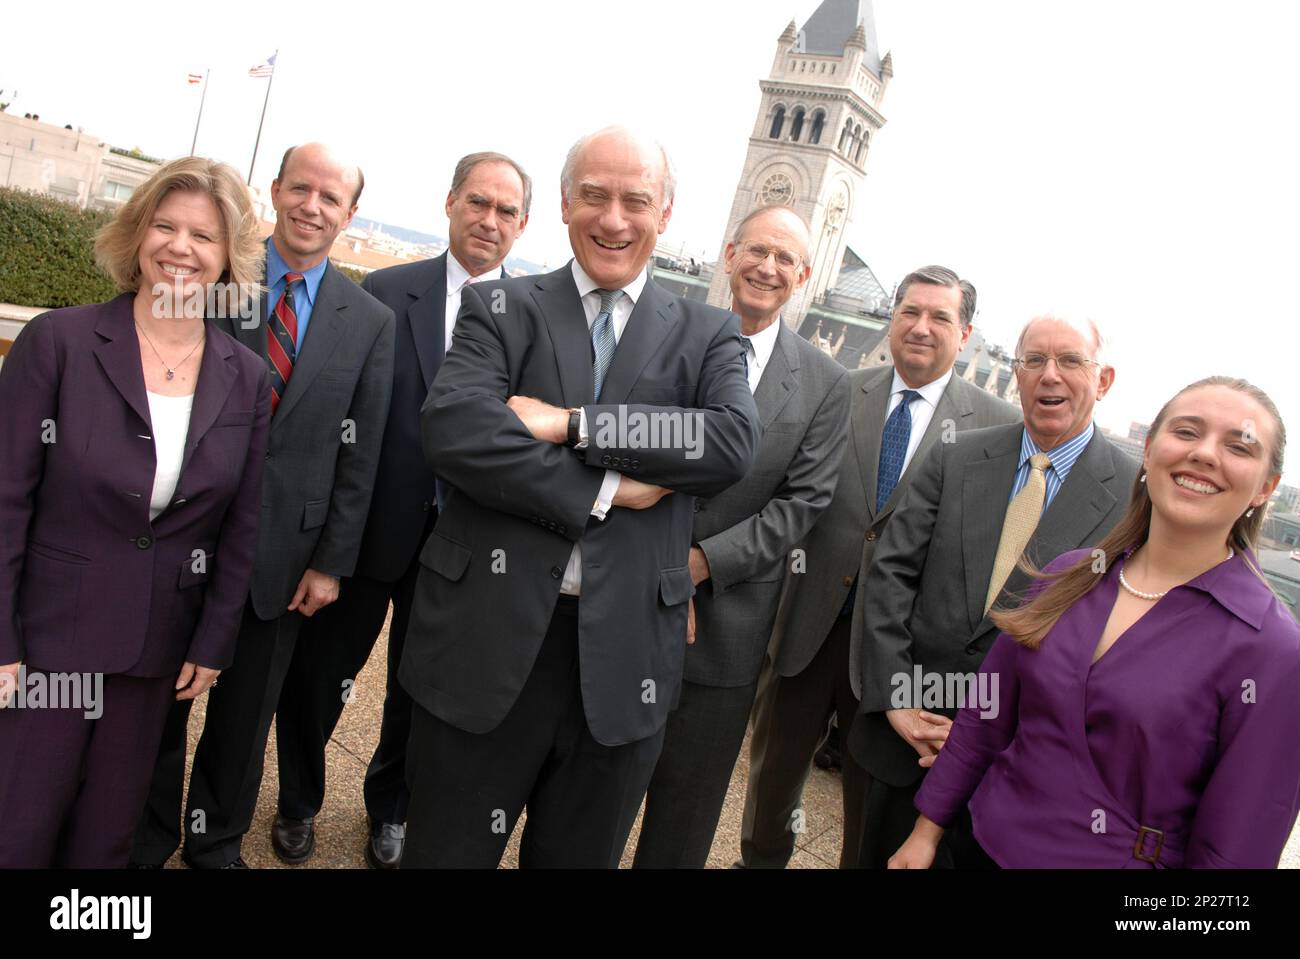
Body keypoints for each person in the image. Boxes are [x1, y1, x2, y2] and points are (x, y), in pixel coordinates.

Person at [399, 126, 760, 868]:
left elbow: (726, 442)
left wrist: (572, 424)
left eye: (636, 200)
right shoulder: (501, 308)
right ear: (564, 204)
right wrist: (604, 489)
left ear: (665, 213)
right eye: (594, 196)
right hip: (484, 646)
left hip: (624, 664)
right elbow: (456, 430)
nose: (613, 219)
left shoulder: (709, 332)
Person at [891, 376, 1300, 868]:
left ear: (1265, 489)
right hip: (976, 847)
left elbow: (1236, 845)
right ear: (1149, 452)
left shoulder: (1273, 649)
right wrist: (926, 831)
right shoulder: (1070, 573)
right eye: (1187, 432)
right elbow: (986, 717)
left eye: (1238, 446)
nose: (1205, 454)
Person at [0, 156, 271, 867]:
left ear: (228, 259)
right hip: (44, 647)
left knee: (106, 841)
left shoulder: (246, 378)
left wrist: (213, 641)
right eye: (166, 225)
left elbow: (241, 523)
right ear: (137, 234)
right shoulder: (58, 343)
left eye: (204, 236)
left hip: (156, 654)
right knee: (18, 828)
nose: (181, 247)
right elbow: (4, 501)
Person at [131, 143, 395, 869]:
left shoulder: (369, 321)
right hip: (185, 537)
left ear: (349, 212)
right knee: (159, 708)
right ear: (274, 190)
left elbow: (359, 454)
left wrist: (332, 563)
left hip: (285, 560)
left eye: (331, 196)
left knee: (245, 716)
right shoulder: (213, 281)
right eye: (301, 187)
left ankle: (215, 841)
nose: (313, 205)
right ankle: (146, 838)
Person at [272, 150, 531, 868]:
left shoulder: (536, 316)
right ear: (449, 204)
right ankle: (297, 799)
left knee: (421, 696)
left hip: (469, 545)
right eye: (477, 202)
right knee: (320, 675)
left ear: (524, 224)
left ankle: (392, 808)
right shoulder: (385, 290)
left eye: (505, 210)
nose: (489, 219)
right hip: (366, 530)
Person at [739, 266, 1019, 868]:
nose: (920, 328)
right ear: (891, 320)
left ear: (965, 333)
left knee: (876, 806)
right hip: (812, 628)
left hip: (908, 652)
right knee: (771, 783)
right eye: (909, 313)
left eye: (939, 317)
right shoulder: (840, 389)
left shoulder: (998, 424)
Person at [846, 312, 1138, 867]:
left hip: (1022, 770)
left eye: (1070, 361)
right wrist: (897, 696)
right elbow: (890, 573)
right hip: (909, 739)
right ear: (1017, 373)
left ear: (1103, 381)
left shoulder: (1134, 499)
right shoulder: (958, 454)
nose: (1049, 376)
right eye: (1034, 361)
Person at [630, 205, 851, 868]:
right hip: (628, 601)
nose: (768, 267)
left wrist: (698, 566)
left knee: (684, 816)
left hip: (726, 633)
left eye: (786, 259)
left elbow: (801, 504)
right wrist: (663, 570)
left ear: (804, 276)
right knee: (593, 796)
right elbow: (627, 449)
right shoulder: (661, 331)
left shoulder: (825, 383)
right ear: (729, 255)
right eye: (757, 250)